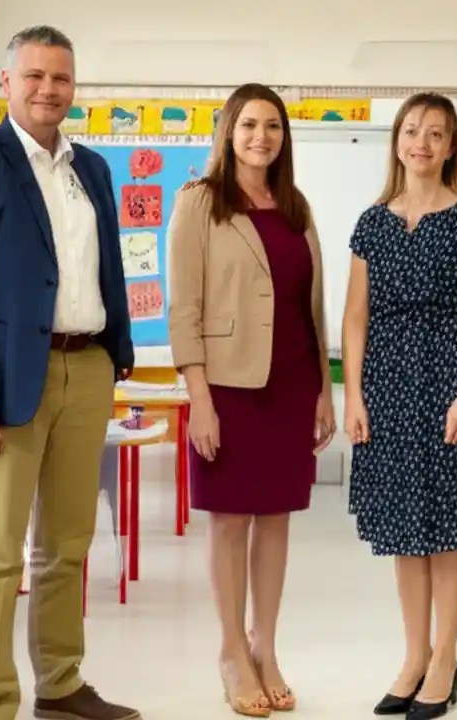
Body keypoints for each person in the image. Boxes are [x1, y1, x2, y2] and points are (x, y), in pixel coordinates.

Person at [0, 25, 140, 720]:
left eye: (62, 78)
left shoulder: (95, 171)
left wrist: (117, 358)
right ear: (6, 83)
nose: (50, 89)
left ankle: (61, 683)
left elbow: (104, 268)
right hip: (9, 385)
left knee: (67, 544)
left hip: (88, 369)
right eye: (36, 76)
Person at [167, 82, 335, 718]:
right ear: (228, 133)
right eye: (248, 125)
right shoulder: (199, 203)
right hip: (229, 388)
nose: (261, 137)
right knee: (230, 519)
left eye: (272, 126)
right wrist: (199, 398)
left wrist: (323, 387)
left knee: (277, 520)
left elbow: (312, 309)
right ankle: (232, 650)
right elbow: (184, 307)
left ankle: (267, 647)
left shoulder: (297, 207)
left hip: (292, 384)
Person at [341, 92, 457, 720]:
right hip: (385, 392)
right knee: (404, 534)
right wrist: (353, 393)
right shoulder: (372, 222)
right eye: (412, 131)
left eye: (436, 133)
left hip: (448, 392)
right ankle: (413, 656)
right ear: (397, 141)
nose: (422, 143)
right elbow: (356, 317)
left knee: (448, 531)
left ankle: (445, 658)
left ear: (451, 145)